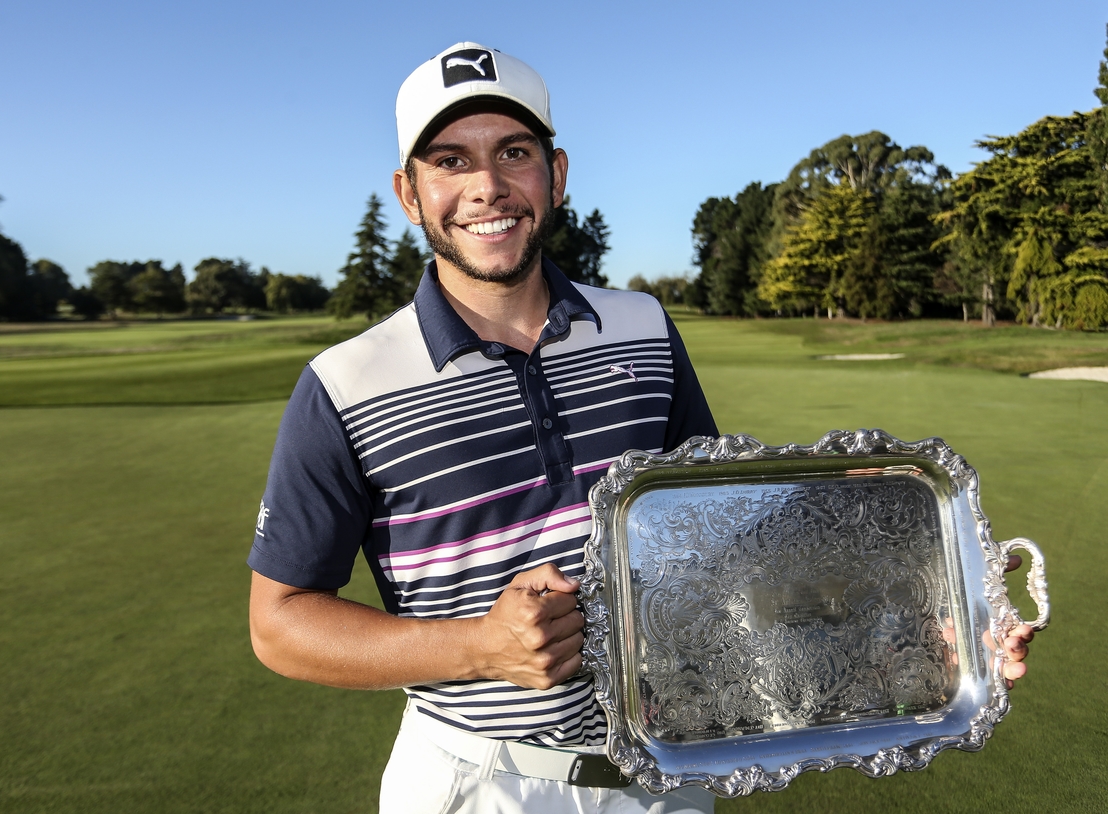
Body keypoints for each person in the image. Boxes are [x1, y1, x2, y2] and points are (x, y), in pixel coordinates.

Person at [246, 43, 1033, 814]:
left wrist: (906, 595)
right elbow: (280, 625)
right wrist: (477, 646)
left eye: (513, 152)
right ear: (409, 193)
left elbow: (716, 549)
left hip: (668, 772)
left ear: (554, 175)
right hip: (480, 783)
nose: (487, 186)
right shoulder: (345, 384)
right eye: (450, 160)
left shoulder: (643, 327)